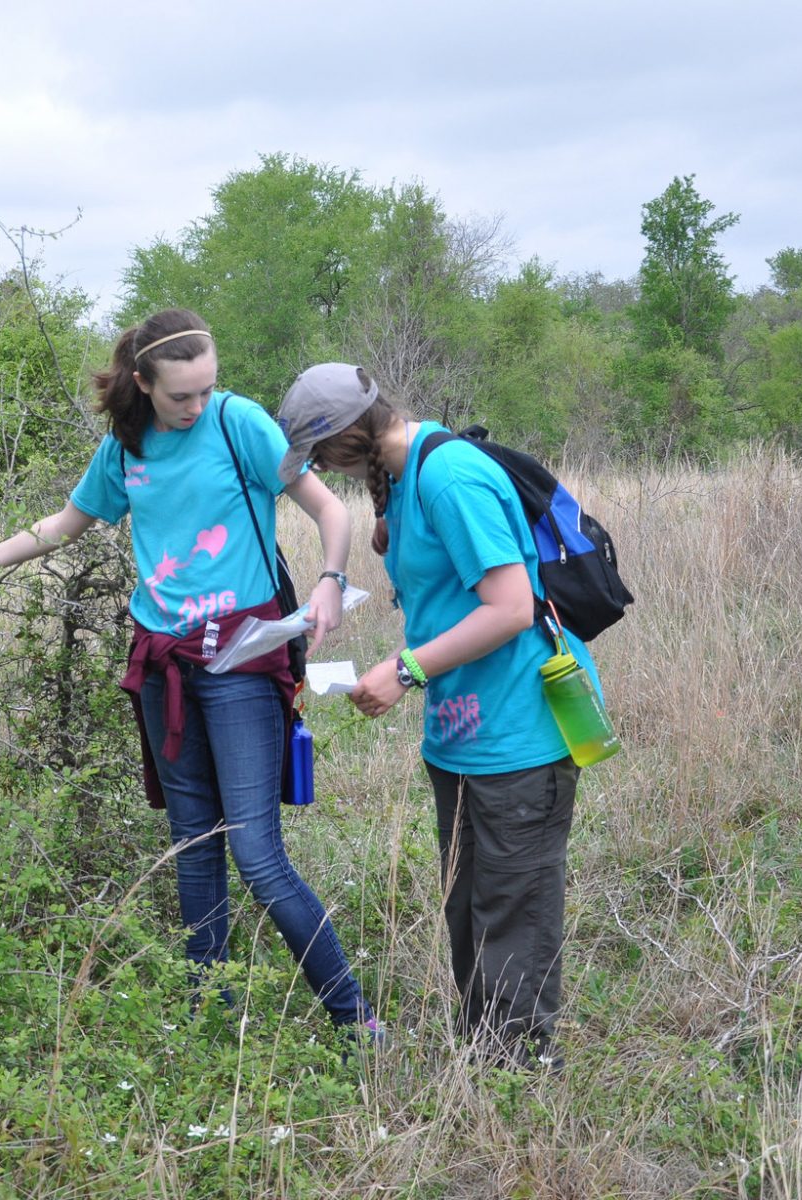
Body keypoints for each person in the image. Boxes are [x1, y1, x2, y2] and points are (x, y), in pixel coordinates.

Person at [0, 310, 376, 1034]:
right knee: (193, 844)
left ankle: (354, 1019)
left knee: (257, 852)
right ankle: (209, 1020)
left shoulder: (237, 423)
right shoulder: (126, 444)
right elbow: (64, 524)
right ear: (143, 383)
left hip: (244, 658)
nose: (196, 406)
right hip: (163, 663)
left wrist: (331, 580)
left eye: (206, 389)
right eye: (182, 395)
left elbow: (328, 510)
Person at [275, 362, 601, 1069]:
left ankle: (517, 1073)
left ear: (346, 434)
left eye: (321, 453)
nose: (321, 470)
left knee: (513, 907)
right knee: (469, 905)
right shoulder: (405, 474)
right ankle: (484, 1052)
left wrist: (404, 669)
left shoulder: (450, 477)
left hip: (520, 731)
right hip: (461, 734)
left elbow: (512, 608)